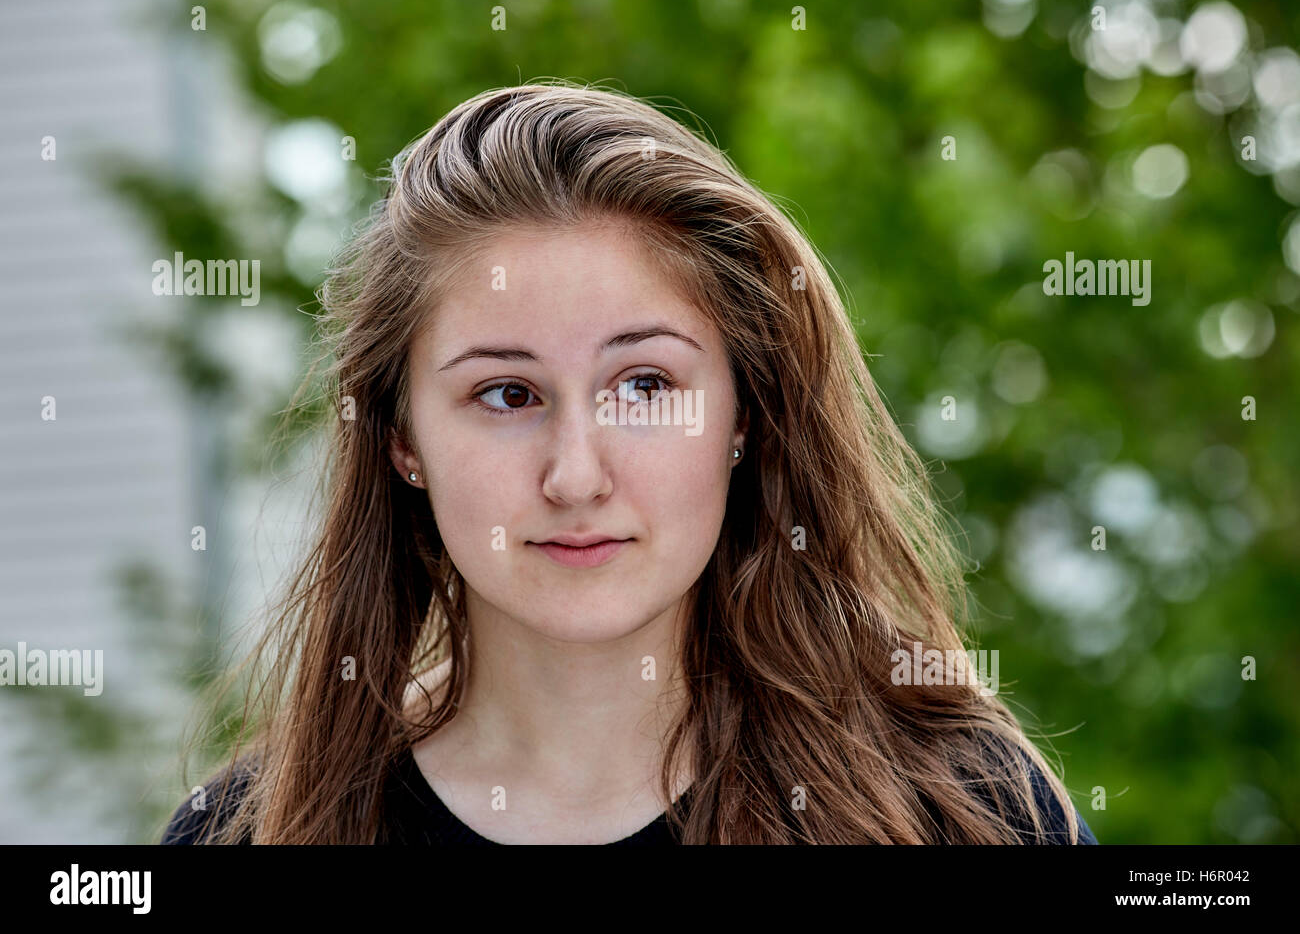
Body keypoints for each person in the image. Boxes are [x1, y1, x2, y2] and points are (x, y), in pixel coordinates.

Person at [162, 80, 1097, 844]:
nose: (576, 477)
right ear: (402, 438)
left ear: (746, 414)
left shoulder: (962, 810)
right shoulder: (251, 834)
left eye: (645, 386)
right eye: (508, 395)